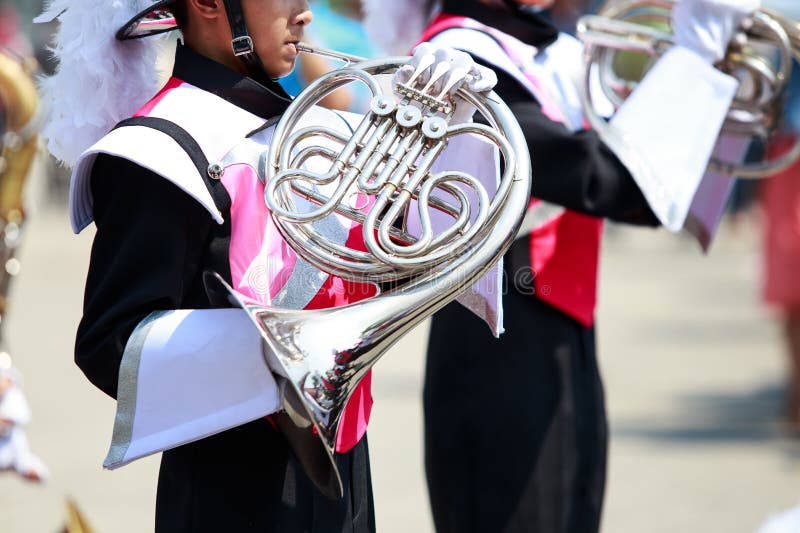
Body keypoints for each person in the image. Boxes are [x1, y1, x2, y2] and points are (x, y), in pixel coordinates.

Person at [35, 0, 498, 530]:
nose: (305, 14)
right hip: (232, 490)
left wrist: (450, 128)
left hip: (346, 469)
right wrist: (276, 355)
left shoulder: (312, 127)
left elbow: (405, 258)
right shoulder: (155, 150)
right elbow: (110, 343)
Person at [362, 0, 757, 531]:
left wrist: (720, 76)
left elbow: (650, 188)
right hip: (501, 343)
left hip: (559, 328)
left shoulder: (539, 50)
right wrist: (694, 55)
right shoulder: (461, 58)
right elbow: (608, 178)